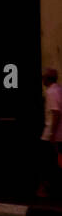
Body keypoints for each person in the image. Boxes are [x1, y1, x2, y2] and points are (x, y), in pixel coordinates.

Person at [39, 68, 62, 198]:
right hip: (57, 135)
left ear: (47, 79)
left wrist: (52, 134)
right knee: (56, 163)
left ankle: (47, 190)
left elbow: (56, 113)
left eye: (44, 77)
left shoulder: (51, 92)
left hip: (50, 135)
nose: (42, 79)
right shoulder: (59, 90)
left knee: (47, 163)